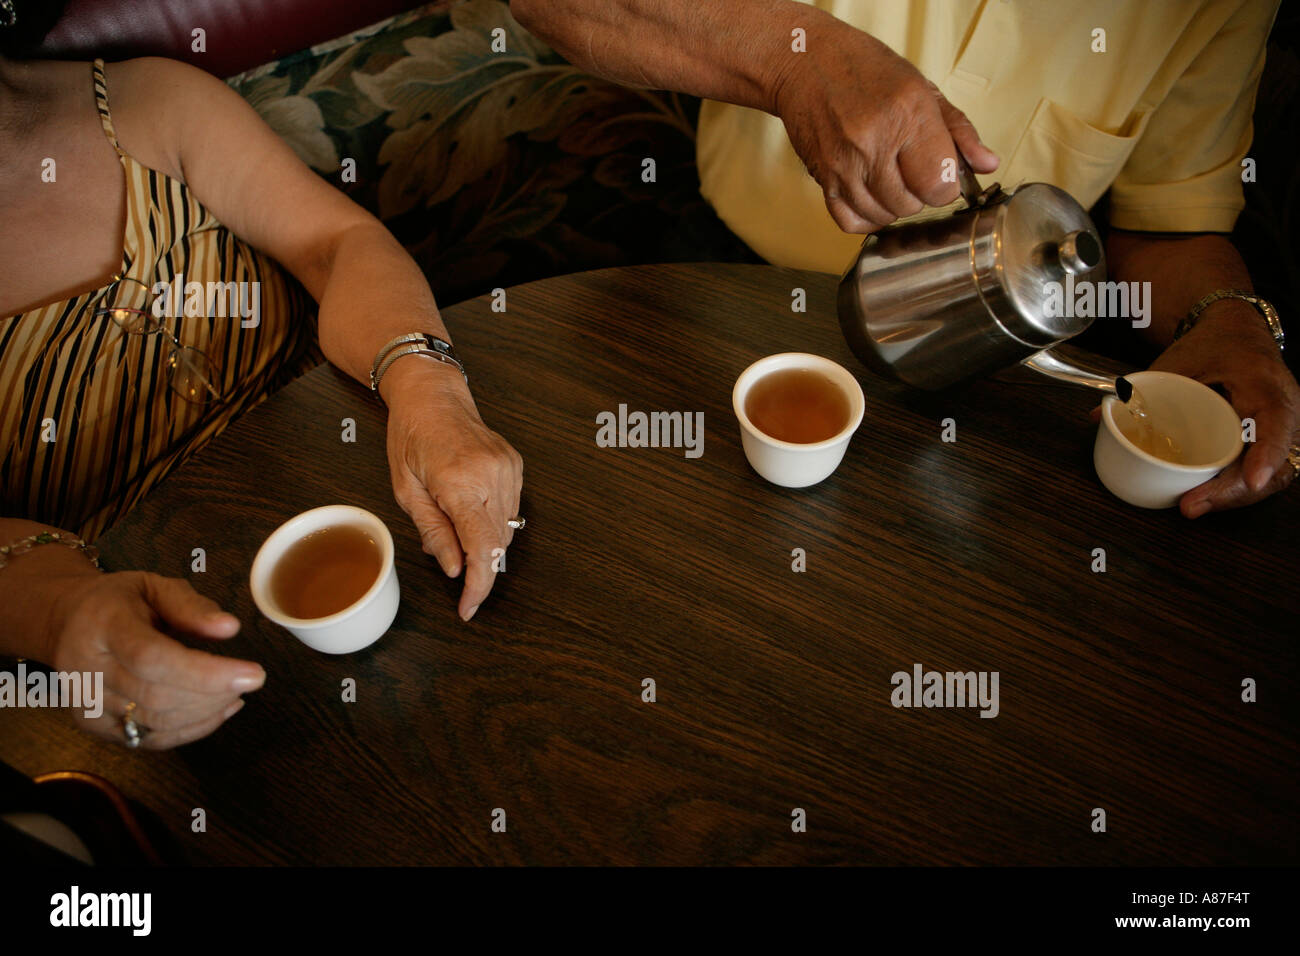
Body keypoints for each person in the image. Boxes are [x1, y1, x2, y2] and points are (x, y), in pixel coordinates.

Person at [512, 0, 1300, 515]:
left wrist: (1230, 316)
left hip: (960, 369)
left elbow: (1171, 221)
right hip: (720, 284)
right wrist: (794, 58)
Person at [0, 0, 523, 749]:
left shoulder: (153, 103)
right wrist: (59, 617)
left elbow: (336, 244)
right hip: (158, 632)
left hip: (385, 489)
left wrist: (428, 391)